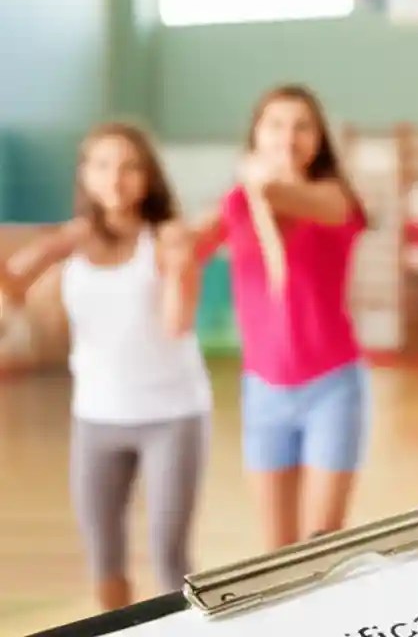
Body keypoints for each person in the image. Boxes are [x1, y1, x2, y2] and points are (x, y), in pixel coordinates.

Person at [0, 122, 210, 610]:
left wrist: (180, 266)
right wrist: (35, 260)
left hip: (171, 415)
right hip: (96, 417)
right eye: (102, 165)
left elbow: (177, 324)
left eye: (129, 166)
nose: (115, 178)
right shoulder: (71, 239)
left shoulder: (164, 237)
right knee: (103, 558)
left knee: (169, 556)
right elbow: (13, 284)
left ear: (149, 176)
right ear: (85, 175)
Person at [190, 85, 370, 549]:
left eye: (302, 126)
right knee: (277, 551)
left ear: (319, 139)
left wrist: (259, 182)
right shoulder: (237, 204)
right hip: (263, 392)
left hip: (332, 389)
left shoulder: (336, 198)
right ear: (255, 134)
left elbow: (286, 195)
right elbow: (184, 248)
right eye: (275, 125)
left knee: (322, 546)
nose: (288, 137)